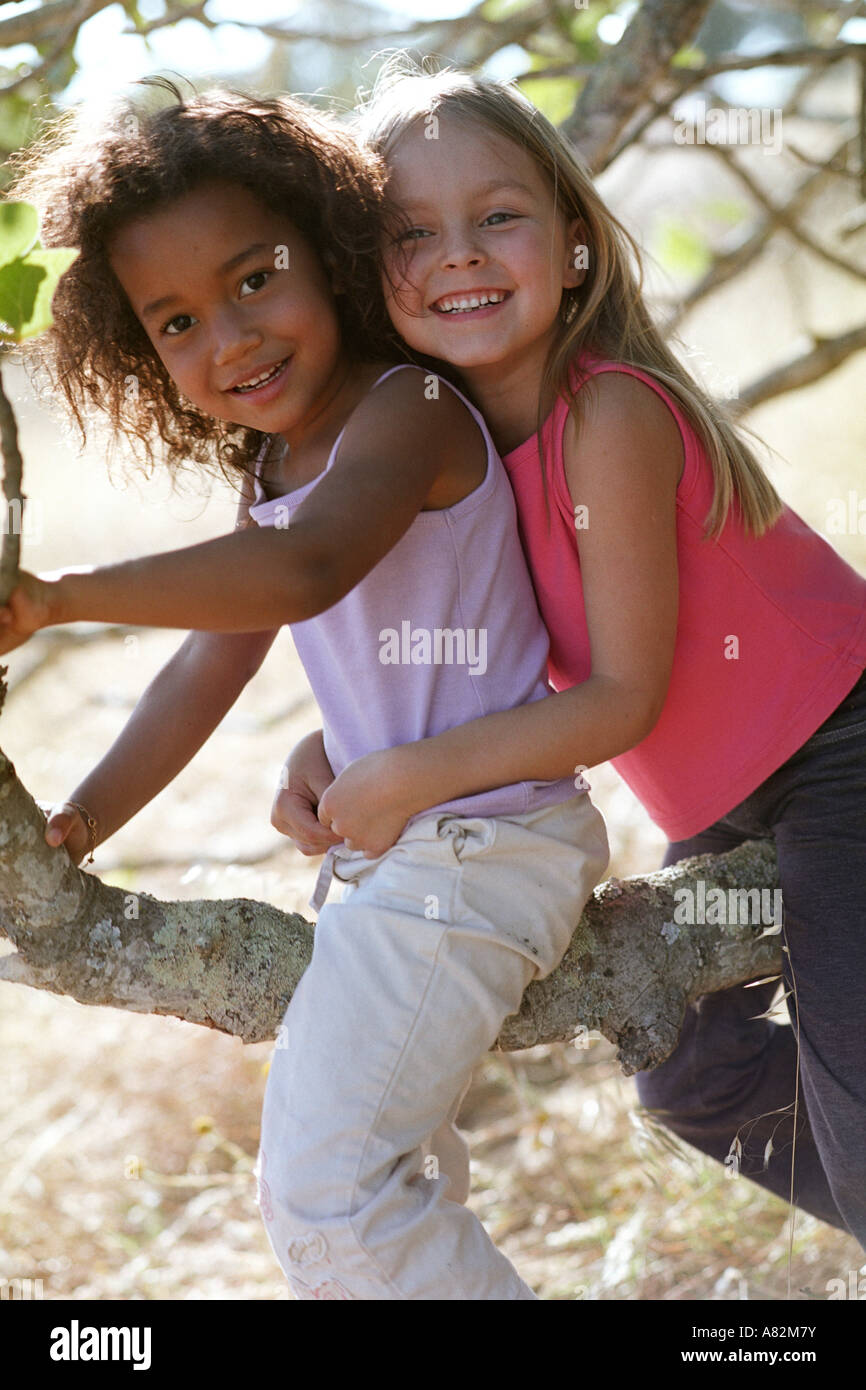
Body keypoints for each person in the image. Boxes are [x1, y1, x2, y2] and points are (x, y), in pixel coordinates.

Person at [1, 81, 609, 1299]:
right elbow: (207, 664)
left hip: (481, 855)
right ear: (143, 353)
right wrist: (78, 826)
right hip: (404, 864)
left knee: (327, 1206)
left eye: (253, 279)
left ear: (332, 256)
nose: (228, 339)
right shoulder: (275, 462)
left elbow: (306, 564)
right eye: (174, 323)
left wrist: (58, 596)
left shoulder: (410, 412)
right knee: (389, 1195)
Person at [275, 60, 866, 1252]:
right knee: (692, 1077)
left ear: (575, 243)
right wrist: (335, 745)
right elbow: (476, 656)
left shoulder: (607, 415)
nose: (459, 253)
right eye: (410, 232)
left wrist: (411, 777)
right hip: (739, 794)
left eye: (498, 216)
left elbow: (616, 699)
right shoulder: (447, 452)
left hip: (840, 754)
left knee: (856, 1106)